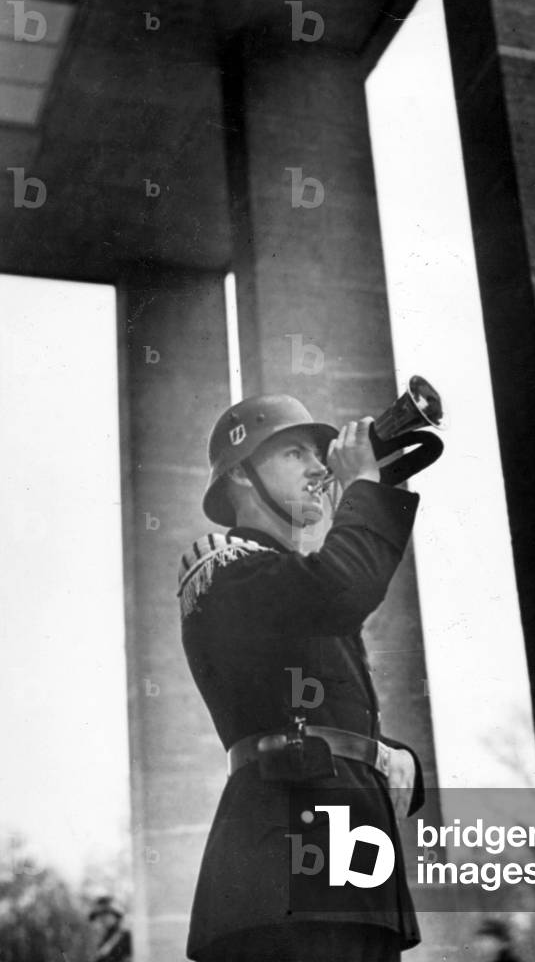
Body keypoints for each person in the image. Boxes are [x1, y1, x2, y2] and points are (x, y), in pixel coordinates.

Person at [178, 394, 424, 962]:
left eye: (319, 454)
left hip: (349, 860)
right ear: (240, 474)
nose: (319, 468)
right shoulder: (223, 567)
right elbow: (339, 590)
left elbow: (318, 704)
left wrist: (390, 754)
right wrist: (364, 487)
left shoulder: (287, 581)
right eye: (294, 453)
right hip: (283, 862)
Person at [87, 895, 132, 962]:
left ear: (116, 914)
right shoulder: (102, 937)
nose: (102, 918)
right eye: (99, 915)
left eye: (105, 913)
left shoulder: (126, 936)